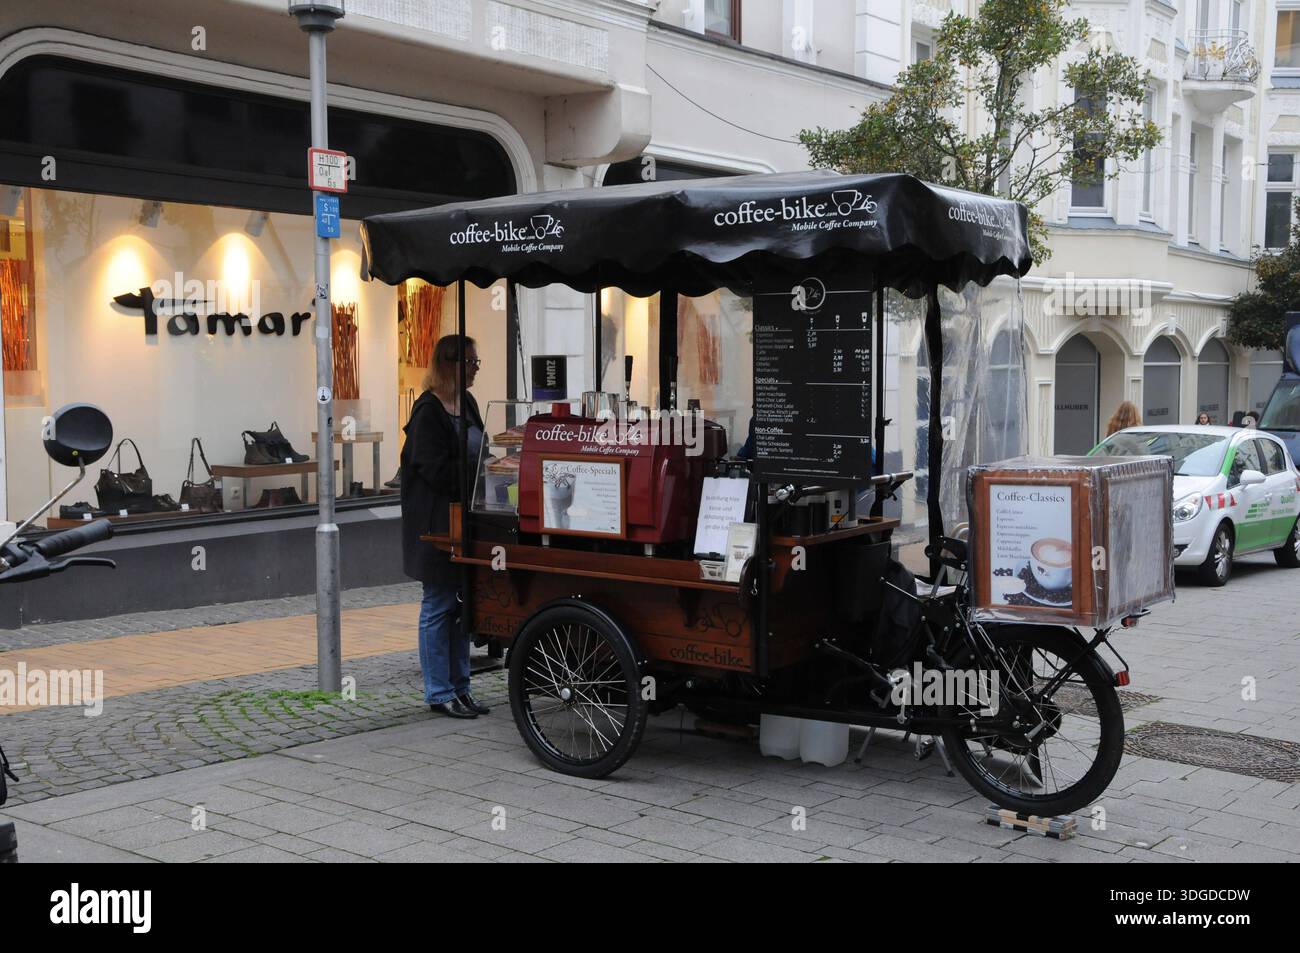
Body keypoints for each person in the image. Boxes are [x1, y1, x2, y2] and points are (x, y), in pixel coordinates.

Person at [400, 334, 489, 719]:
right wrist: (470, 479)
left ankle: (462, 687)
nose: (474, 369)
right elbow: (432, 468)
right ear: (449, 364)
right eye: (470, 362)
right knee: (438, 604)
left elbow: (480, 445)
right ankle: (439, 691)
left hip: (464, 519)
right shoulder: (427, 411)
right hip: (435, 523)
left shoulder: (466, 402)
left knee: (460, 605)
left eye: (476, 361)